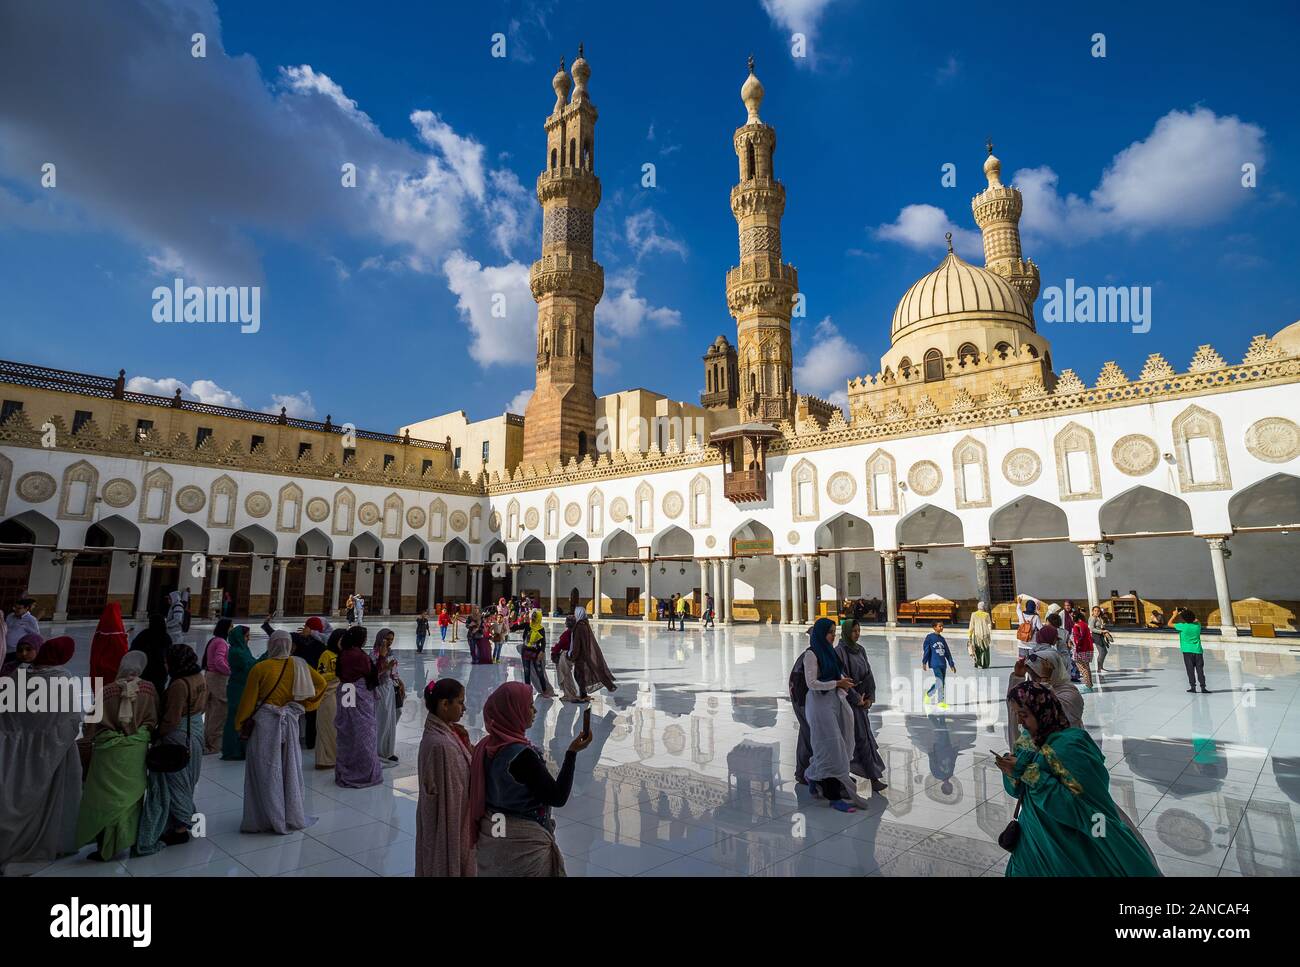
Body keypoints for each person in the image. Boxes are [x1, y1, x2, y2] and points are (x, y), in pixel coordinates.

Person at [995, 682, 1161, 877]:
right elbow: (1017, 791)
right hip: (1034, 839)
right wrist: (1011, 771)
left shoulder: (1071, 746)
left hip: (1069, 844)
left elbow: (1080, 808)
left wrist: (1028, 773)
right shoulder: (1027, 740)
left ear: (1041, 710)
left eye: (1024, 715)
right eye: (1017, 715)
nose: (1021, 723)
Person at [468, 681, 592, 876]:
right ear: (513, 712)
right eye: (528, 706)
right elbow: (557, 797)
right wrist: (571, 753)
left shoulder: (486, 746)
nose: (534, 711)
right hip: (523, 844)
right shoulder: (522, 756)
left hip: (493, 834)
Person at [0, 636, 82, 872]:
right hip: (51, 751)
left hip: (13, 751)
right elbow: (71, 720)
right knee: (45, 799)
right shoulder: (61, 679)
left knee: (15, 793)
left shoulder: (18, 675)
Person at [234, 630, 326, 834]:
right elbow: (321, 683)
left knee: (266, 770)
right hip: (289, 722)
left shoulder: (260, 668)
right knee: (288, 768)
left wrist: (240, 724)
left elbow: (248, 701)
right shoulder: (299, 665)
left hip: (265, 724)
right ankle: (289, 812)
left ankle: (266, 817)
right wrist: (306, 704)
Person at [76, 651, 157, 860]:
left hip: (108, 753)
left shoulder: (107, 691)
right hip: (135, 751)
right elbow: (154, 717)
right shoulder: (148, 689)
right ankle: (125, 839)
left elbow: (90, 726)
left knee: (105, 798)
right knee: (130, 800)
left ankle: (104, 847)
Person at [137, 642, 207, 852]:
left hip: (178, 736)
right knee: (186, 780)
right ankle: (178, 824)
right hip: (195, 731)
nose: (166, 666)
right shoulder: (199, 677)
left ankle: (180, 830)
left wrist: (156, 735)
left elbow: (172, 719)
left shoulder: (179, 684)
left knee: (175, 784)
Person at [797, 618, 868, 811]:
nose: (833, 636)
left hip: (833, 704)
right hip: (819, 707)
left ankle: (812, 775)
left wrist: (843, 682)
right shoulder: (811, 654)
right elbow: (812, 683)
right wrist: (837, 683)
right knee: (831, 749)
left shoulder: (829, 653)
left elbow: (836, 675)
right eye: (829, 632)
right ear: (820, 634)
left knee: (837, 746)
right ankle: (834, 797)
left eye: (834, 632)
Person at [415, 678, 476, 877]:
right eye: (459, 702)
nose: (464, 708)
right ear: (444, 705)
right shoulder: (441, 745)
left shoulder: (446, 733)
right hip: (450, 822)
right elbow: (454, 793)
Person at [835, 619, 887, 792]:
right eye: (854, 631)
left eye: (859, 630)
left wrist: (869, 698)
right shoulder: (840, 652)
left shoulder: (860, 650)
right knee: (855, 740)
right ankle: (847, 775)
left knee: (865, 739)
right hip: (848, 704)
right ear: (846, 631)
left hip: (861, 704)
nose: (857, 634)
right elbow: (842, 678)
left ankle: (873, 777)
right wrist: (856, 698)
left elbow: (869, 675)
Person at [1006, 646, 1084, 750]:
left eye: (1037, 676)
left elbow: (1050, 712)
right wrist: (1018, 677)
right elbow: (1015, 704)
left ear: (1054, 671)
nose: (1035, 681)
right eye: (1031, 676)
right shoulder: (1039, 689)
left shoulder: (1070, 694)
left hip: (1063, 750)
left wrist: (1044, 682)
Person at [334, 625, 383, 788]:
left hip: (347, 690)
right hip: (359, 692)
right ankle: (362, 772)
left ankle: (347, 769)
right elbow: (371, 673)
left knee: (349, 729)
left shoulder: (344, 653)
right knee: (365, 731)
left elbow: (339, 674)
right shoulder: (358, 655)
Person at [220, 625, 257, 761]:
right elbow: (251, 666)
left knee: (243, 717)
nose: (248, 639)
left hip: (244, 686)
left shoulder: (243, 649)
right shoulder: (236, 652)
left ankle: (241, 748)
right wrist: (266, 656)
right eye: (246, 636)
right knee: (235, 718)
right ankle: (232, 750)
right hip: (237, 688)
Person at [201, 618, 233, 754]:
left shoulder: (214, 640)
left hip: (210, 676)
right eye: (231, 626)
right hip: (218, 679)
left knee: (212, 712)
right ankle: (214, 745)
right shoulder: (221, 642)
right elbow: (219, 661)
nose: (232, 629)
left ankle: (207, 741)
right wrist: (230, 672)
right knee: (219, 713)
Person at [568, 607, 617, 697]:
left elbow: (577, 643)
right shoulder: (585, 624)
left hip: (581, 656)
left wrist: (573, 655)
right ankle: (607, 686)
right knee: (586, 672)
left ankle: (583, 695)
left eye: (575, 613)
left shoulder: (579, 627)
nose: (574, 615)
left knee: (579, 675)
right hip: (585, 654)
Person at [314, 628, 344, 770]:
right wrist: (336, 675)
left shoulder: (344, 654)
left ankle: (336, 756)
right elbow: (320, 676)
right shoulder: (326, 654)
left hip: (341, 693)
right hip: (328, 694)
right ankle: (325, 759)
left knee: (338, 727)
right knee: (328, 726)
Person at [129, 613, 172, 709]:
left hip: (144, 672)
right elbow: (169, 656)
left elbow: (133, 651)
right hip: (160, 673)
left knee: (143, 696)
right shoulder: (166, 637)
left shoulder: (144, 635)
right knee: (158, 695)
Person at [373, 628, 403, 765]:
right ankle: (378, 750)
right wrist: (384, 664)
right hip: (380, 690)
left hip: (390, 689)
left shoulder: (390, 653)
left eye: (391, 639)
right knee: (382, 721)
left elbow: (394, 672)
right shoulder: (374, 654)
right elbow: (373, 674)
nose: (390, 642)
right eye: (387, 639)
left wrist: (400, 683)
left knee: (391, 721)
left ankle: (388, 751)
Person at [89, 602, 129, 696]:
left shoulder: (101, 629)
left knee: (100, 694)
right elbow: (122, 650)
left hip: (98, 667)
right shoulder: (118, 631)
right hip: (113, 671)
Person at [922, 620, 957, 710]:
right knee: (940, 681)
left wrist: (951, 664)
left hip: (943, 664)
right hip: (935, 663)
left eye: (942, 626)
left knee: (941, 682)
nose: (941, 628)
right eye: (939, 626)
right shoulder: (930, 637)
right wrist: (924, 662)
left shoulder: (942, 639)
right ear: (934, 627)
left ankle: (932, 696)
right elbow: (926, 650)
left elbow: (947, 652)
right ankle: (939, 701)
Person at [1171, 608, 1208, 693]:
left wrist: (1174, 615)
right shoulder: (1197, 625)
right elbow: (1196, 619)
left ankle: (1193, 687)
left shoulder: (1182, 626)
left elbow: (1169, 623)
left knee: (1190, 670)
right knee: (1200, 670)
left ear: (1184, 619)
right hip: (1198, 651)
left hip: (1187, 651)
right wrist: (1188, 611)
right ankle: (1203, 687)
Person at [520, 609, 554, 697]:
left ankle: (545, 691)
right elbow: (517, 627)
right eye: (533, 617)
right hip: (526, 652)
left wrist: (542, 652)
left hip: (535, 653)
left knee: (539, 672)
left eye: (535, 617)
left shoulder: (541, 629)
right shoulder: (528, 625)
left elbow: (543, 642)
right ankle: (528, 692)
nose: (534, 619)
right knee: (527, 672)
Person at [552, 616, 583, 702]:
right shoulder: (577, 633)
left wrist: (554, 652)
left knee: (565, 676)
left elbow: (560, 645)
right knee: (568, 675)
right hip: (572, 657)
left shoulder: (567, 634)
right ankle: (570, 693)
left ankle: (569, 695)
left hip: (565, 656)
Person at [1070, 609, 1095, 690]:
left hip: (1080, 650)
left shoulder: (1077, 626)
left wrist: (1074, 646)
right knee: (1086, 667)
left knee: (1083, 668)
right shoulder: (1084, 624)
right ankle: (1089, 685)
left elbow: (1077, 639)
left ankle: (1088, 686)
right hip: (1088, 649)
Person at [968, 600, 992, 669]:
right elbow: (989, 624)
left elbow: (971, 625)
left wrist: (970, 635)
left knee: (977, 649)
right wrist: (989, 633)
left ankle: (977, 662)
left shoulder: (973, 614)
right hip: (985, 635)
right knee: (985, 650)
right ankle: (985, 664)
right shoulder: (986, 614)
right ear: (983, 607)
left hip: (977, 635)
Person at [1089, 606, 1113, 672]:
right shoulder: (1093, 618)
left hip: (1100, 636)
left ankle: (1101, 667)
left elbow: (1100, 626)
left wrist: (1103, 630)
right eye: (1095, 611)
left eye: (1098, 611)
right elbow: (1091, 629)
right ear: (1092, 611)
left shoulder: (1098, 618)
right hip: (1096, 636)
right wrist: (1101, 631)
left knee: (1104, 652)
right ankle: (1099, 668)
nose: (1097, 612)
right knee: (1102, 652)